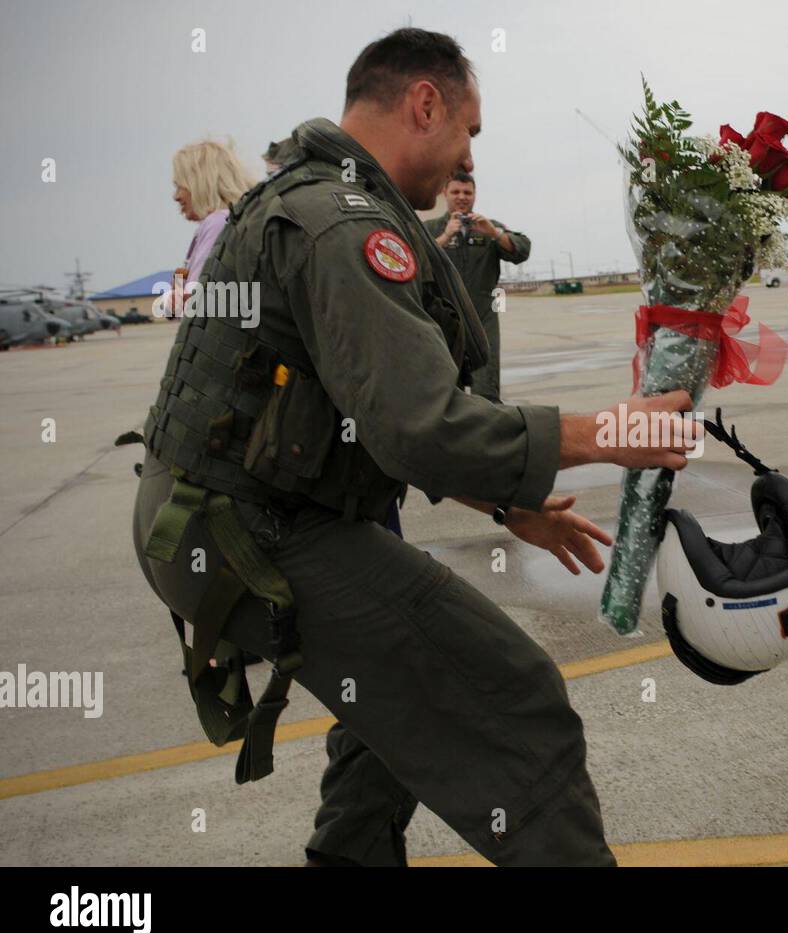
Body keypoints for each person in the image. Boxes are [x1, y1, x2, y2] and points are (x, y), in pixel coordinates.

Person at [128, 27, 700, 867]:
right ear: (423, 104)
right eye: (468, 129)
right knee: (516, 704)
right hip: (252, 528)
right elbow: (419, 425)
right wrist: (615, 432)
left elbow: (363, 420)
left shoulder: (303, 196)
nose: (468, 151)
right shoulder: (344, 226)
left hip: (215, 516)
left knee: (390, 715)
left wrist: (510, 501)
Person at [426, 172, 530, 404]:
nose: (462, 197)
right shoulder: (430, 229)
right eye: (456, 192)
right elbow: (413, 258)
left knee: (487, 393)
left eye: (467, 192)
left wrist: (494, 233)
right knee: (447, 395)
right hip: (442, 324)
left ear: (474, 195)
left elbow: (522, 249)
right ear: (445, 193)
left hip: (483, 321)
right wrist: (444, 237)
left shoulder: (489, 228)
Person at [170, 139, 256, 303]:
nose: (176, 196)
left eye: (180, 186)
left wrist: (177, 294)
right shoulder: (238, 219)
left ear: (201, 183)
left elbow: (193, 303)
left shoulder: (217, 223)